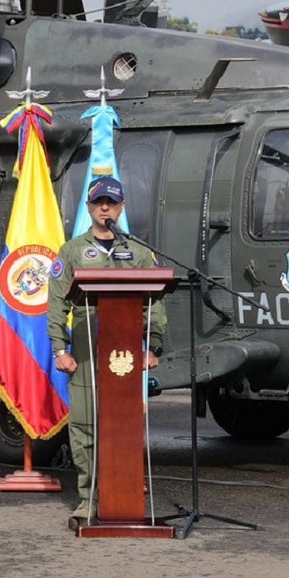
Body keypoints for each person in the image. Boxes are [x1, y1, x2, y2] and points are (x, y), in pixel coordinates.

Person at [47, 176, 167, 521]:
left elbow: (154, 304)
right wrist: (60, 350)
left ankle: (124, 493)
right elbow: (56, 303)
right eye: (98, 202)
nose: (104, 208)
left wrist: (153, 345)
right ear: (88, 207)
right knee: (84, 426)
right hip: (85, 349)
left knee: (123, 425)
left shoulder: (141, 253)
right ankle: (89, 498)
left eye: (111, 203)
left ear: (121, 208)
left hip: (127, 355)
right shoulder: (71, 252)